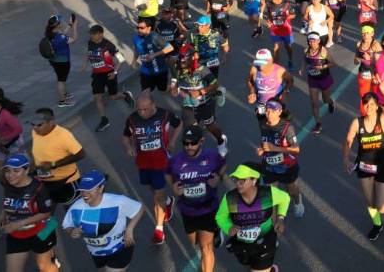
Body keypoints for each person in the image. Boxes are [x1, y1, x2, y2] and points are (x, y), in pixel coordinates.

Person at [343, 81, 384, 241]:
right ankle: (377, 225)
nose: (369, 107)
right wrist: (346, 159)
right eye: (366, 104)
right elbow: (348, 140)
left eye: (372, 104)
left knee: (381, 207)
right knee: (370, 202)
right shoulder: (357, 123)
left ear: (377, 106)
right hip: (364, 166)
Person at [121, 92, 181, 245]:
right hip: (143, 163)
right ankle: (168, 201)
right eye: (139, 109)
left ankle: (159, 230)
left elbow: (179, 124)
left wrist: (173, 141)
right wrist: (128, 147)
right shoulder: (132, 119)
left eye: (145, 109)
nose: (142, 112)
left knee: (157, 196)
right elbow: (125, 135)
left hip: (161, 162)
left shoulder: (165, 115)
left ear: (153, 105)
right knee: (152, 189)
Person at [166, 126, 226, 272]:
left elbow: (223, 165)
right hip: (188, 210)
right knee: (195, 243)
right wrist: (173, 187)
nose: (189, 146)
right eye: (185, 143)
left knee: (206, 248)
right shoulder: (176, 161)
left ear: (201, 141)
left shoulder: (212, 157)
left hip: (208, 207)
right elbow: (168, 173)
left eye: (193, 143)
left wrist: (219, 177)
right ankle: (216, 232)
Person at [62, 170, 143, 271]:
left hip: (120, 248)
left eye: (89, 190)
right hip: (96, 252)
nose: (84, 194)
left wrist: (129, 229)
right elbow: (67, 225)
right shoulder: (76, 207)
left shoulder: (118, 201)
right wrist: (72, 231)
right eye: (82, 190)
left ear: (101, 188)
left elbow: (139, 209)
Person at [216, 163, 290, 271]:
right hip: (242, 245)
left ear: (254, 180)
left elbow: (285, 198)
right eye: (236, 180)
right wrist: (228, 227)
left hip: (265, 242)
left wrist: (280, 218)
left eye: (242, 180)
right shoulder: (230, 198)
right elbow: (220, 217)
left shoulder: (267, 194)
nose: (238, 183)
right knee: (250, 266)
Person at [0, 154, 60, 272]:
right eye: (7, 171)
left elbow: (46, 213)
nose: (10, 175)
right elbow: (10, 203)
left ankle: (51, 258)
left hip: (40, 233)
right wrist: (3, 214)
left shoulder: (38, 188)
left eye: (16, 171)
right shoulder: (8, 185)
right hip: (16, 235)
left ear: (26, 171)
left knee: (45, 267)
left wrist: (19, 223)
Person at [172, 48, 228, 157]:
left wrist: (200, 92)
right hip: (188, 105)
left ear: (192, 58)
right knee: (191, 130)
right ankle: (194, 154)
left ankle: (221, 141)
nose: (181, 64)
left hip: (205, 104)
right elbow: (174, 83)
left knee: (210, 127)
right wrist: (174, 88)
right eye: (180, 61)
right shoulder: (177, 69)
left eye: (184, 61)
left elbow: (215, 84)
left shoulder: (202, 70)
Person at [256, 99, 304, 218]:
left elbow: (296, 149)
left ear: (279, 112)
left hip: (286, 167)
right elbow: (265, 140)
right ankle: (273, 230)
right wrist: (262, 149)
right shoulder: (263, 123)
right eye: (267, 111)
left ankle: (297, 201)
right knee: (271, 197)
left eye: (271, 111)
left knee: (291, 190)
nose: (268, 114)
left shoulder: (287, 128)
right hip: (269, 166)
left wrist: (275, 148)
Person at [83, 25, 134, 132]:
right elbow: (88, 53)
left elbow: (121, 59)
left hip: (109, 74)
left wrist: (114, 72)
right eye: (91, 34)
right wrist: (84, 63)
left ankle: (125, 95)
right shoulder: (90, 42)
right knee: (97, 97)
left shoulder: (108, 45)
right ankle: (104, 120)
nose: (91, 36)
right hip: (97, 75)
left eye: (93, 34)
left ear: (100, 34)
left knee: (113, 96)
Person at [31, 108, 85, 208]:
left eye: (39, 125)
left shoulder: (63, 135)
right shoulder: (35, 132)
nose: (35, 128)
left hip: (66, 182)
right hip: (45, 182)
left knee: (72, 213)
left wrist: (53, 164)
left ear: (51, 122)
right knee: (46, 212)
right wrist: (33, 165)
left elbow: (81, 154)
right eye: (32, 124)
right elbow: (37, 150)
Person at [301, 32, 336, 135]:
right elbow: (305, 60)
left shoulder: (323, 51)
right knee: (314, 102)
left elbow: (333, 63)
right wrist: (302, 69)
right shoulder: (306, 50)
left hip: (324, 78)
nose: (312, 42)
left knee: (325, 100)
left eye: (314, 40)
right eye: (310, 40)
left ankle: (331, 102)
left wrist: (322, 67)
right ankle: (318, 123)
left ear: (319, 41)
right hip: (312, 79)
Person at [247, 48, 293, 120]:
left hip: (276, 104)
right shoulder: (254, 69)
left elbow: (290, 80)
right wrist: (252, 92)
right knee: (262, 122)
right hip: (261, 104)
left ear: (270, 60)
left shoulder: (280, 70)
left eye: (263, 63)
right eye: (259, 62)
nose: (260, 66)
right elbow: (249, 80)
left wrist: (284, 92)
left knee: (276, 123)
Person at [43, 14, 78, 108]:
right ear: (58, 25)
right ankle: (62, 101)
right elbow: (74, 39)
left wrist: (70, 25)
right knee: (61, 80)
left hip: (53, 60)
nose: (62, 23)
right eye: (60, 22)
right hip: (62, 61)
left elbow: (62, 35)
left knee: (60, 77)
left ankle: (64, 94)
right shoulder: (60, 38)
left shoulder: (50, 33)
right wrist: (74, 27)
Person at [131, 20, 173, 94]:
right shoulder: (135, 38)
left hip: (160, 71)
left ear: (149, 28)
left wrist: (154, 55)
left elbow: (170, 48)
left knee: (162, 90)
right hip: (146, 71)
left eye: (142, 28)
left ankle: (171, 87)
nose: (139, 29)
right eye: (137, 27)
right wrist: (134, 61)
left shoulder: (155, 36)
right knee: (145, 93)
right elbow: (136, 50)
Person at [266, 0, 293, 70]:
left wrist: (285, 17)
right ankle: (276, 66)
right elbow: (269, 16)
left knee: (288, 47)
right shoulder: (269, 4)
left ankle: (290, 60)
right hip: (275, 29)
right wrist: (268, 22)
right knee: (275, 48)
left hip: (286, 29)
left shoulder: (286, 4)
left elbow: (293, 15)